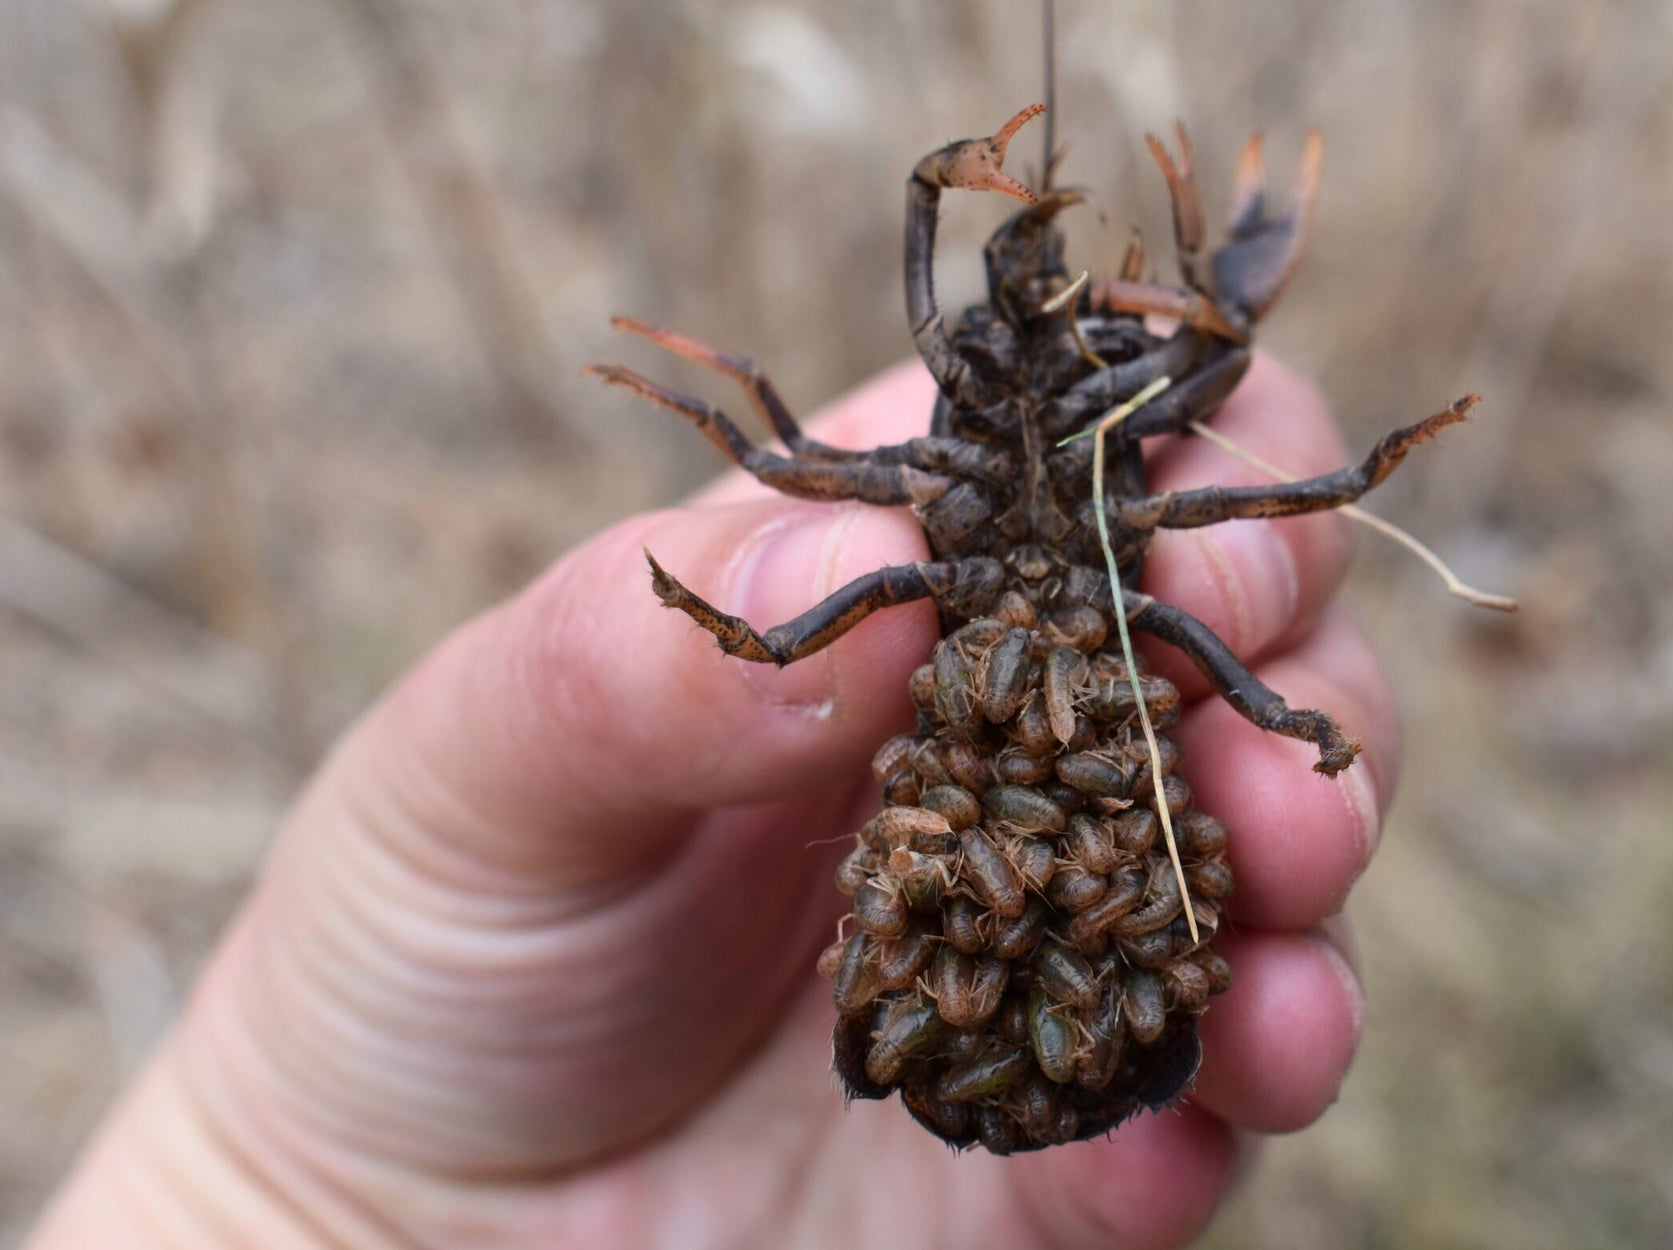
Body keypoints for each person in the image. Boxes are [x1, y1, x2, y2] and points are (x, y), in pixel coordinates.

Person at [30, 355, 1395, 1249]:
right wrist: (261, 1179)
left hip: (1055, 898)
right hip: (1047, 879)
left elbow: (1265, 439)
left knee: (1274, 769)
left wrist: (251, 1186)